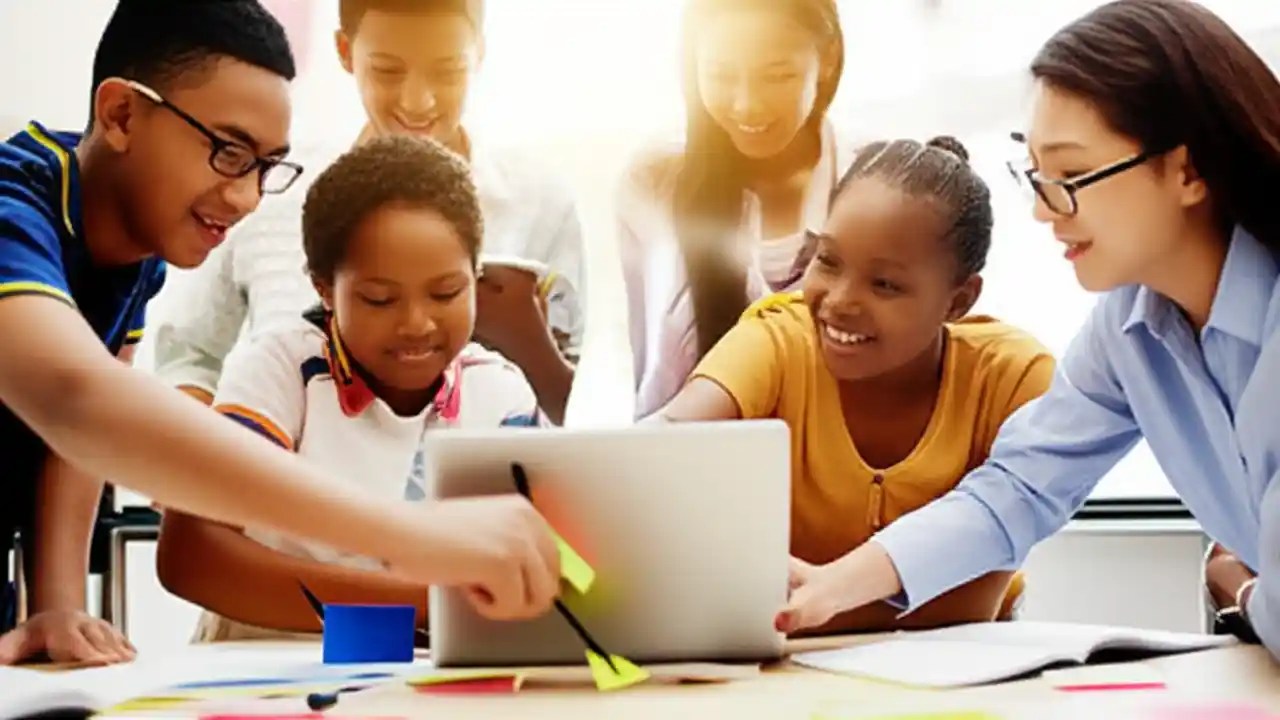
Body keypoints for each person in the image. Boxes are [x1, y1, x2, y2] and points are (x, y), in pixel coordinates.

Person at [0, 0, 558, 666]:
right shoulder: (12, 210)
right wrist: (419, 541)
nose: (244, 199)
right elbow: (77, 398)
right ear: (121, 113)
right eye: (228, 152)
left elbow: (76, 443)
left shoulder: (131, 251)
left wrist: (58, 604)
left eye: (265, 167)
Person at [775, 0, 1280, 660]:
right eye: (1036, 174)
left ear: (1186, 171)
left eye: (1070, 177)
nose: (1044, 211)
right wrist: (830, 586)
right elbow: (1019, 486)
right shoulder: (1129, 327)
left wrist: (1242, 593)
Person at [659, 136, 1054, 632]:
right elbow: (663, 440)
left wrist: (811, 599)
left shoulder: (1012, 378)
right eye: (827, 261)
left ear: (958, 301)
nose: (840, 301)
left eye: (885, 284)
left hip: (959, 674)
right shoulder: (779, 340)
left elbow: (969, 602)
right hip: (792, 666)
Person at [158, 136, 543, 641]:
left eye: (446, 292)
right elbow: (192, 558)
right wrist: (423, 608)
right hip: (269, 671)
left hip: (413, 668)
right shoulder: (282, 370)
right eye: (379, 299)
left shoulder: (499, 393)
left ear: (475, 275)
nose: (417, 324)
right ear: (323, 287)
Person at [153, 0, 585, 425]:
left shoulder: (540, 206)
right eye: (387, 71)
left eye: (448, 70)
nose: (418, 102)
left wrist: (531, 349)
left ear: (480, 52)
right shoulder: (273, 191)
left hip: (473, 487)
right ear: (345, 52)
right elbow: (189, 355)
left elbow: (586, 420)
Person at [619, 0, 857, 419]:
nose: (747, 105)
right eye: (721, 74)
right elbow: (642, 362)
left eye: (777, 75)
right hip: (691, 457)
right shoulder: (655, 180)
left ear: (829, 59)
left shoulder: (873, 180)